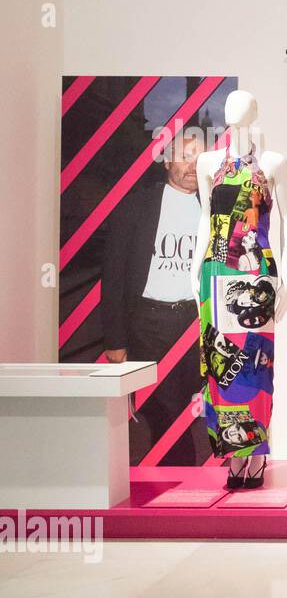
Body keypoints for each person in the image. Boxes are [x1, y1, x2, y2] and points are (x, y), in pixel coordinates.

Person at [101, 133, 204, 464]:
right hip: (149, 324)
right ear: (166, 162)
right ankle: (179, 478)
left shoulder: (214, 208)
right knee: (163, 409)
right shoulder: (137, 206)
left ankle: (179, 478)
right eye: (185, 156)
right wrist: (114, 339)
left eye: (199, 157)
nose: (192, 165)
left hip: (197, 324)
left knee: (193, 410)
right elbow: (114, 274)